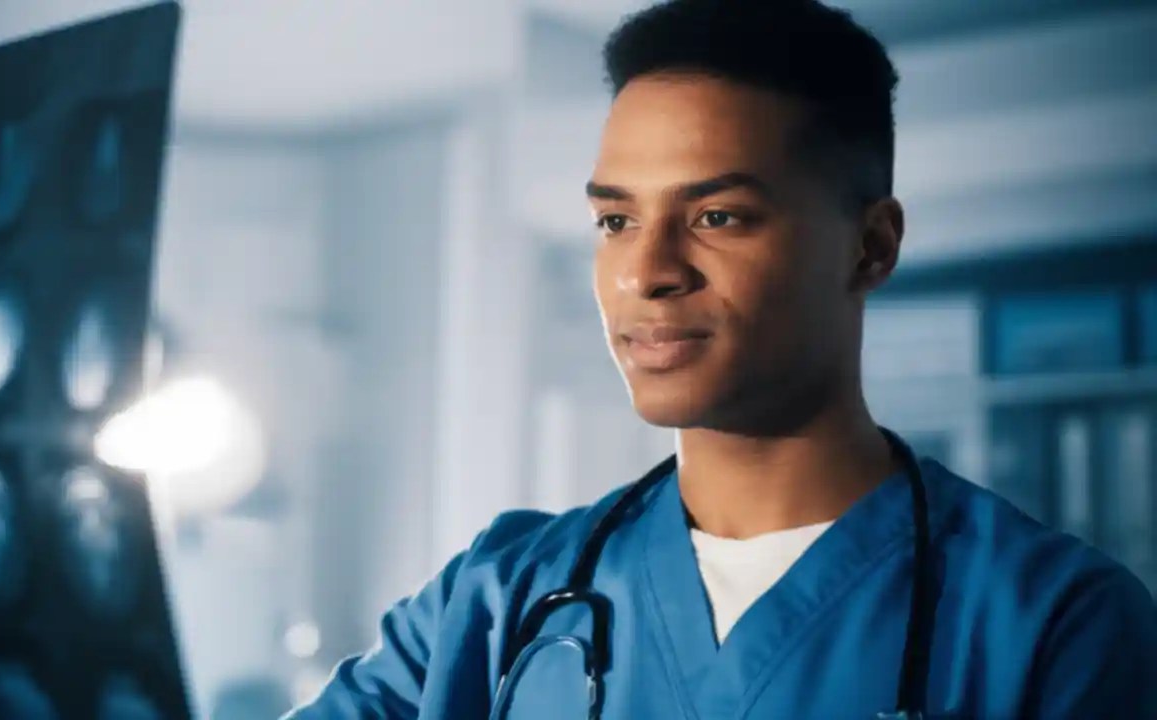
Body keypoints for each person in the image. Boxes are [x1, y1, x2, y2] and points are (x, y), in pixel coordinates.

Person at [284, 1, 1157, 718]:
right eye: (616, 220)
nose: (647, 273)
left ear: (871, 246)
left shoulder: (1053, 625)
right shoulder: (499, 599)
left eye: (718, 216)